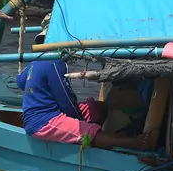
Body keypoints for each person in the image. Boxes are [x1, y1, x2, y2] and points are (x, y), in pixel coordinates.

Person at [18, 30, 147, 149]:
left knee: (98, 108)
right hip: (44, 120)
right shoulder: (55, 62)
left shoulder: (34, 62)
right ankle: (133, 143)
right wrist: (80, 121)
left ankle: (95, 138)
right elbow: (65, 99)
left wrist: (37, 93)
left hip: (48, 112)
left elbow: (20, 81)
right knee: (89, 131)